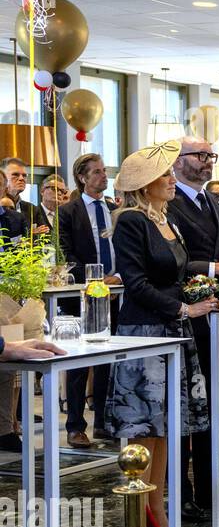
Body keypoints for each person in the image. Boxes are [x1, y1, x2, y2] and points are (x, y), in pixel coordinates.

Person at [104, 140, 218, 521]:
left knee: (168, 424)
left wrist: (199, 291)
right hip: (145, 332)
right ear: (146, 184)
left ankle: (158, 507)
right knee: (144, 424)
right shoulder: (132, 221)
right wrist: (185, 307)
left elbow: (177, 272)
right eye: (165, 175)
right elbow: (135, 283)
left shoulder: (167, 220)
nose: (172, 180)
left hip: (174, 331)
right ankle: (141, 512)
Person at [166, 136, 219, 516]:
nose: (208, 161)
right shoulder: (168, 204)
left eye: (210, 155)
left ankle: (210, 485)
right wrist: (217, 269)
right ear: (178, 161)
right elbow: (173, 263)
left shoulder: (218, 202)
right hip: (187, 314)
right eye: (200, 156)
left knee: (214, 404)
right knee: (186, 407)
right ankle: (180, 491)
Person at [54, 155, 122, 450]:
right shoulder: (68, 211)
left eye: (104, 171)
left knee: (111, 357)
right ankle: (75, 425)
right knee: (80, 362)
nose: (103, 176)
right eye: (96, 172)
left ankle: (105, 422)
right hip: (82, 292)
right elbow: (65, 254)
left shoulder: (114, 209)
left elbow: (122, 246)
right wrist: (93, 279)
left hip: (115, 290)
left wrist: (117, 276)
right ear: (82, 178)